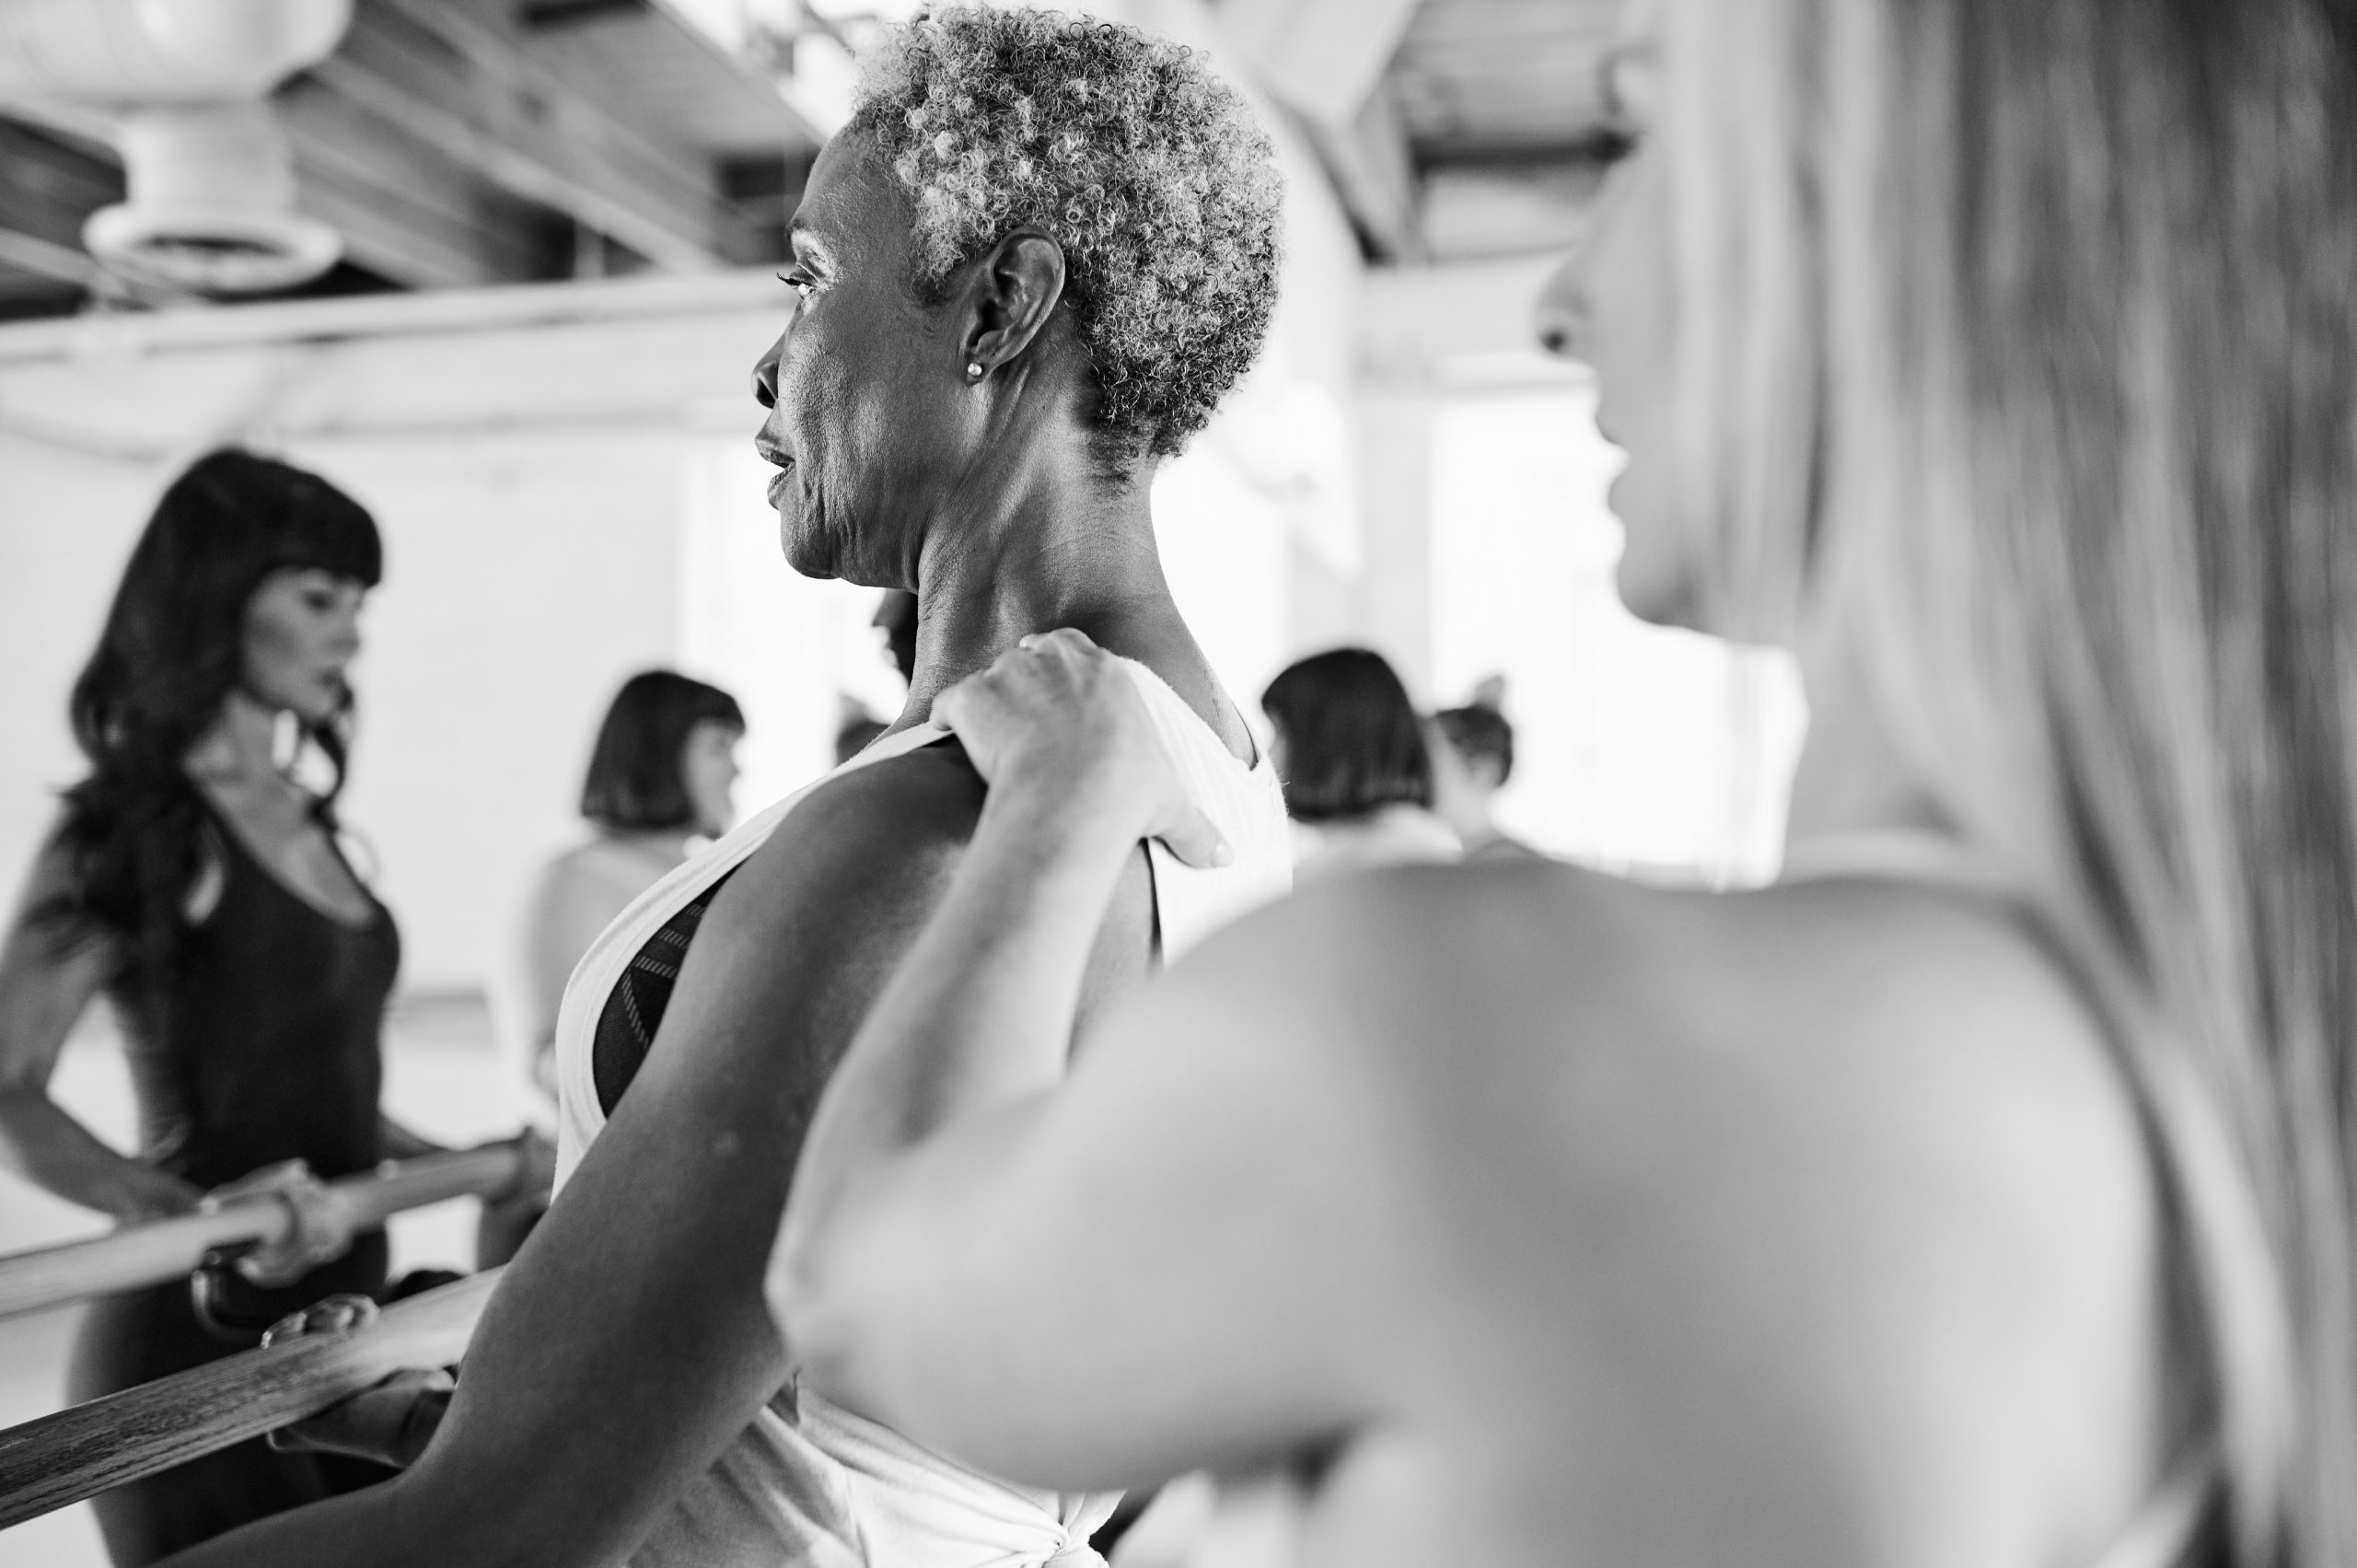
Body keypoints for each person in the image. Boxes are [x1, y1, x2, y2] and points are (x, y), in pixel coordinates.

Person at [768, 2, 2357, 1565]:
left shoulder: (1480, 1022)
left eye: (1646, 136)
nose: (1561, 297)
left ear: (1886, 225)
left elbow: (850, 1282)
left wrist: (1058, 795)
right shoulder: (2215, 1109)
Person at [157, 9, 1293, 1566]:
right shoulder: (1214, 769)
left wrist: (495, 1464)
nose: (769, 361)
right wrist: (487, 1404)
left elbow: (491, 1543)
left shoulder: (928, 836)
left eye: (810, 280)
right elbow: (872, 1441)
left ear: (1002, 307)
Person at [0, 450, 484, 1564]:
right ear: (216, 602)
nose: (351, 636)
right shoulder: (134, 829)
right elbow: (7, 1087)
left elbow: (319, 1086)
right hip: (193, 1335)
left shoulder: (313, 825)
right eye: (318, 598)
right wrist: (182, 1210)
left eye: (358, 605)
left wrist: (466, 1156)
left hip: (344, 1323)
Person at [500, 670, 745, 1120]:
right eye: (718, 747)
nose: (736, 769)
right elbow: (551, 1064)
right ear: (659, 752)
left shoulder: (710, 877)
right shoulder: (574, 879)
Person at [1260, 647, 1458, 885]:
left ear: (1330, 740)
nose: (1268, 753)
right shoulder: (1425, 844)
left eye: (1281, 732)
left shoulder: (1364, 869)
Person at [1427, 679, 1544, 862]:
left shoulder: (1505, 864)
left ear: (1483, 771)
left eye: (1432, 761)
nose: (1420, 774)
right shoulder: (1460, 859)